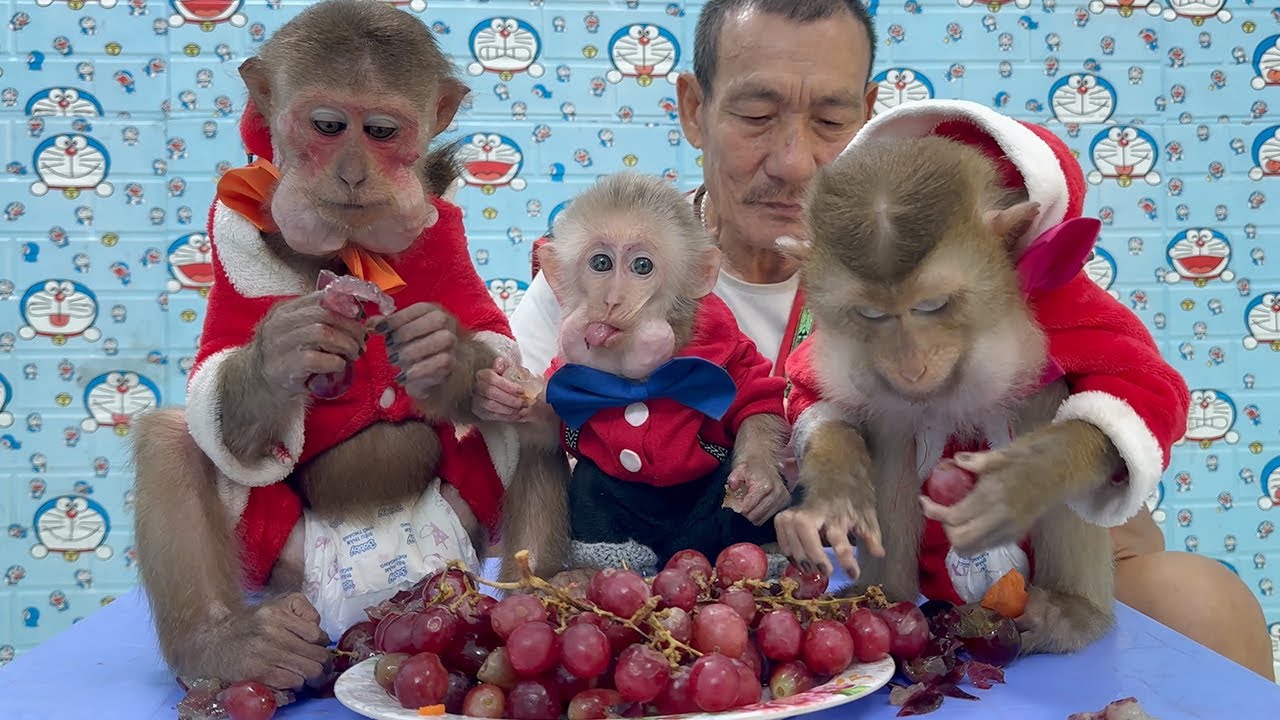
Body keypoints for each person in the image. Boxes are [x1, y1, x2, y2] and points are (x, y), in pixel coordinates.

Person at [480, 0, 1275, 680]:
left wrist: (1061, 474)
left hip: (927, 589)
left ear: (868, 111)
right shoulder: (605, 269)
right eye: (756, 117)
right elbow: (518, 488)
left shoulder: (929, 237)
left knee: (1201, 600)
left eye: (829, 120)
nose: (793, 162)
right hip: (708, 611)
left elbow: (1108, 432)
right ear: (694, 107)